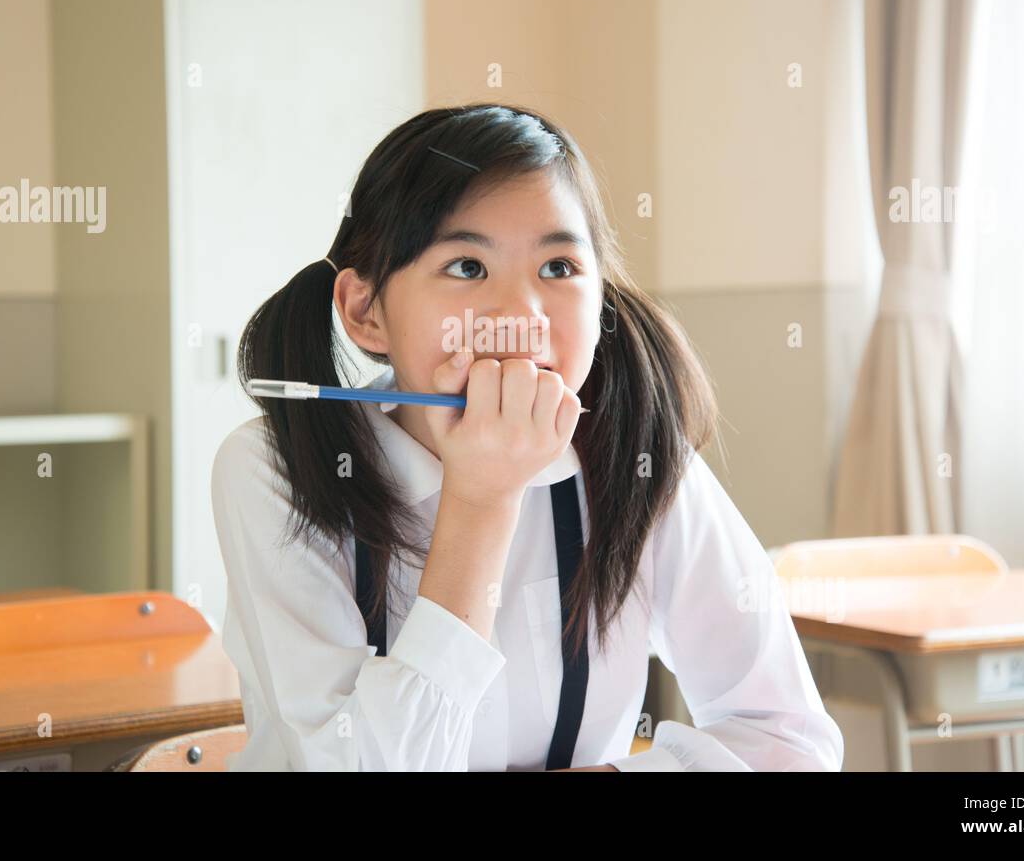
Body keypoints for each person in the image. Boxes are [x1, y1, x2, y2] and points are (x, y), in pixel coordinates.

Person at [210, 103, 844, 771]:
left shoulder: (636, 456)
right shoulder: (271, 472)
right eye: (466, 267)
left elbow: (791, 739)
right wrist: (482, 499)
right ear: (366, 312)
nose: (522, 313)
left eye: (559, 268)